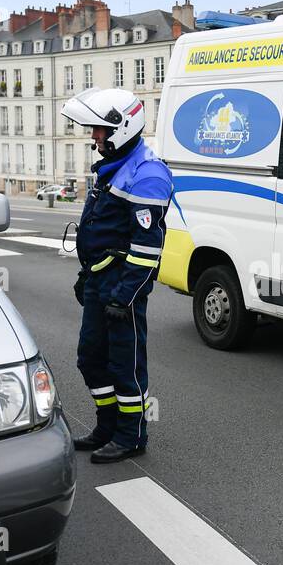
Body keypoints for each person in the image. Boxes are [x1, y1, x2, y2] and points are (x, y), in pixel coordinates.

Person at [61, 87, 172, 463]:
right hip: (99, 280)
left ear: (121, 127)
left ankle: (130, 436)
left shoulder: (147, 173)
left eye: (98, 130)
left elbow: (147, 247)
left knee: (125, 366)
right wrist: (87, 273)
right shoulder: (114, 166)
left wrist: (123, 295)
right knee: (90, 358)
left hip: (124, 287)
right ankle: (106, 426)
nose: (94, 137)